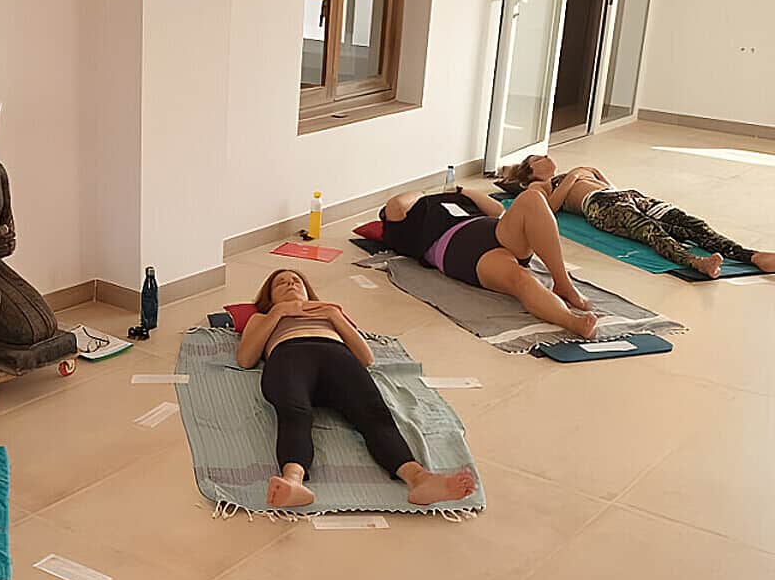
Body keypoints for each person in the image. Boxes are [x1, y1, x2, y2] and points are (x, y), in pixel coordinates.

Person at [236, 269, 477, 509]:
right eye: (281, 283)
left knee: (374, 414)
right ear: (269, 296)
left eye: (296, 281)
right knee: (294, 413)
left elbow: (367, 358)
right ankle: (293, 481)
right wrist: (277, 313)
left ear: (308, 290)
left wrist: (334, 316)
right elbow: (246, 359)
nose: (290, 285)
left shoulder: (328, 313)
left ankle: (419, 479)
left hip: (337, 357)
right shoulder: (263, 317)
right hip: (289, 356)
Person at [499, 155, 775, 278]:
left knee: (690, 224)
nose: (546, 159)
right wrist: (573, 177)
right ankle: (697, 262)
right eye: (539, 159)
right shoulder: (543, 185)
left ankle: (751, 255)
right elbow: (551, 208)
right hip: (600, 206)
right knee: (650, 230)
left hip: (627, 194)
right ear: (531, 169)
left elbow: (606, 180)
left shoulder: (574, 171)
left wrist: (587, 173)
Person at [380, 187, 598, 338]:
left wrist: (461, 192)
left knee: (532, 198)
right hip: (457, 247)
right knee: (519, 278)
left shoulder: (456, 200)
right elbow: (397, 204)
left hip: (492, 229)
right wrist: (423, 194)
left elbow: (496, 210)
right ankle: (571, 321)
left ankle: (563, 283)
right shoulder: (403, 225)